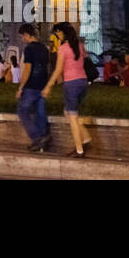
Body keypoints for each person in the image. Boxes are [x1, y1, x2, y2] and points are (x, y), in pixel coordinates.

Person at [41, 22, 91, 157]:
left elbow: (58, 69)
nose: (57, 35)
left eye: (57, 33)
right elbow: (81, 61)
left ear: (61, 32)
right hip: (83, 83)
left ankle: (79, 150)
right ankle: (85, 137)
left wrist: (47, 87)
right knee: (67, 112)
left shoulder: (63, 48)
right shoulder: (80, 46)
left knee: (72, 117)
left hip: (72, 84)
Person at [16, 25, 50, 152]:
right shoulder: (44, 49)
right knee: (40, 113)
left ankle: (37, 137)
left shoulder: (29, 49)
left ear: (27, 34)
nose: (22, 39)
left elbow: (28, 70)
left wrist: (20, 87)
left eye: (22, 36)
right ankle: (43, 138)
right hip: (42, 85)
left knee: (22, 110)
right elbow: (46, 68)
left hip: (31, 86)